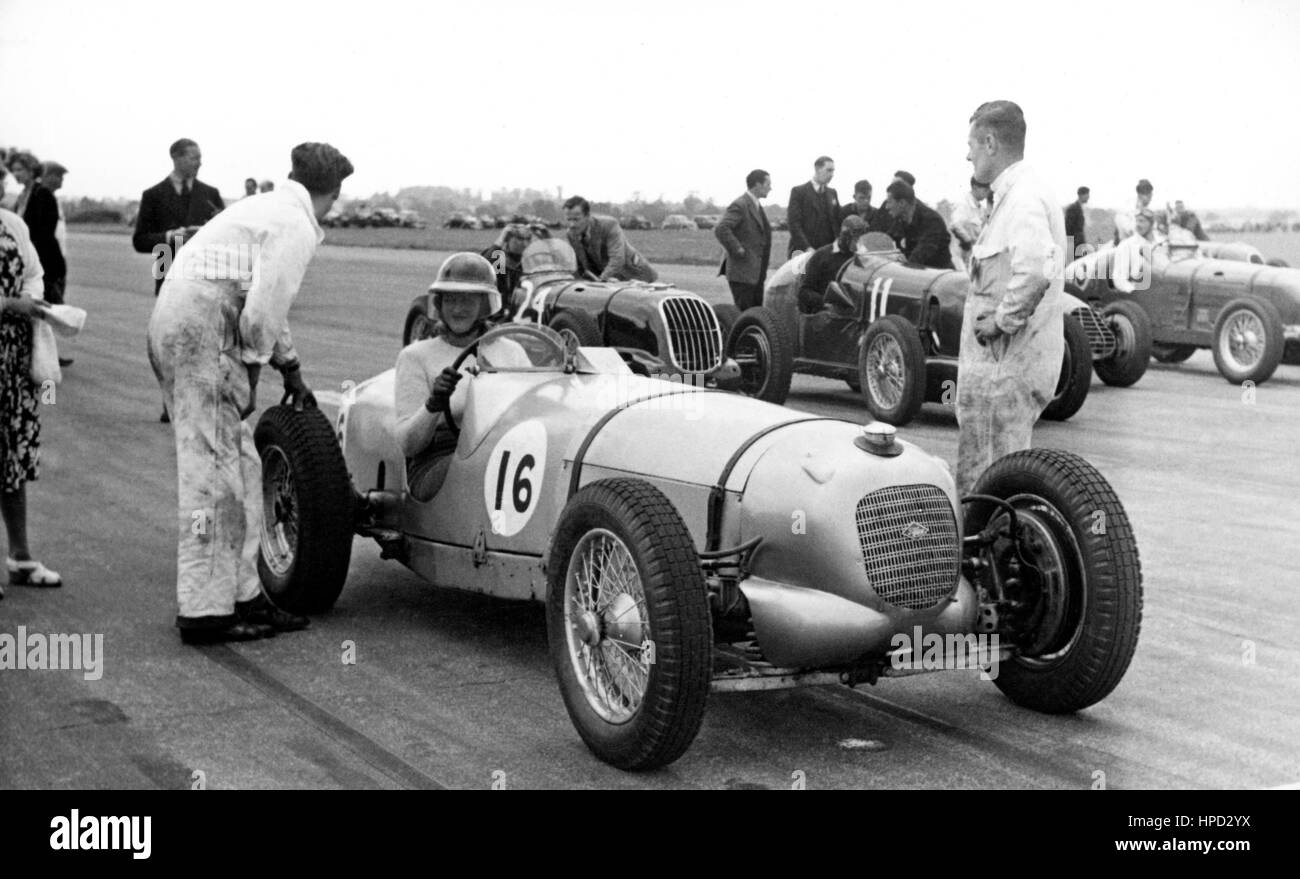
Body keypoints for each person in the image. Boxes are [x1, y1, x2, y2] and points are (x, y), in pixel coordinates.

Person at [147, 141, 353, 644]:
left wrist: (293, 369)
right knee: (212, 481)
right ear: (336, 189)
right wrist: (257, 374)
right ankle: (204, 612)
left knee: (243, 468)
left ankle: (245, 595)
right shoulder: (296, 223)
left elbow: (264, 300)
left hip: (183, 324)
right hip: (201, 335)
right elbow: (261, 315)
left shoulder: (265, 209)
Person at [956, 100, 1066, 496]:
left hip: (1004, 373)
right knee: (995, 482)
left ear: (989, 142)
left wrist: (1002, 321)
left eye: (970, 144)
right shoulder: (1016, 194)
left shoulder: (1022, 199)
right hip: (1001, 372)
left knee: (990, 489)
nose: (967, 154)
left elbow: (1036, 268)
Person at [395, 253, 504, 502]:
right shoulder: (415, 356)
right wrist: (434, 403)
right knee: (484, 469)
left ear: (484, 304)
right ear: (440, 304)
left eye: (468, 300)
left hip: (502, 450)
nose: (458, 309)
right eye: (451, 300)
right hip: (437, 458)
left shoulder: (510, 350)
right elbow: (408, 445)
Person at [0, 186, 62, 594]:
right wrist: (8, 305)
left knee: (13, 457)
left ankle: (20, 557)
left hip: (14, 359)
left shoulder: (12, 224)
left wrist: (31, 299)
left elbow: (36, 272)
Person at [132, 138, 226, 297]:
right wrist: (170, 237)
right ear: (176, 158)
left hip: (206, 283)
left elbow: (227, 238)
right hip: (168, 282)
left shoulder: (211, 194)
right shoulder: (153, 195)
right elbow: (139, 241)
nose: (199, 163)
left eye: (200, 158)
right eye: (194, 158)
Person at [715, 169, 773, 310]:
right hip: (742, 273)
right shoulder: (740, 204)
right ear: (757, 185)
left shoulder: (756, 206)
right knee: (744, 315)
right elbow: (721, 228)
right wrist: (738, 249)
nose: (770, 188)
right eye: (768, 184)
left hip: (756, 274)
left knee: (754, 315)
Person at [563, 196, 658, 282]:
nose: (572, 225)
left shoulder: (608, 225)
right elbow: (580, 264)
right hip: (610, 281)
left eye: (576, 219)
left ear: (588, 216)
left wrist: (601, 280)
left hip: (635, 275)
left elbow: (617, 259)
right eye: (568, 219)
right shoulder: (571, 234)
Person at [798, 215, 869, 313]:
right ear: (845, 236)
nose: (859, 243)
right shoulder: (821, 256)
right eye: (856, 238)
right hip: (828, 313)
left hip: (857, 312)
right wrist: (825, 303)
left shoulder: (864, 257)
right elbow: (804, 291)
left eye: (861, 238)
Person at [883, 180, 955, 269]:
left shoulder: (932, 221)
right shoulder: (900, 220)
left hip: (939, 277)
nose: (886, 207)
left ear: (902, 203)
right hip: (916, 274)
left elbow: (921, 254)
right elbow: (886, 240)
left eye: (889, 202)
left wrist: (905, 264)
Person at [787, 156, 839, 257]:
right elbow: (794, 224)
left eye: (833, 171)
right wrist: (807, 248)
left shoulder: (832, 193)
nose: (832, 175)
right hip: (801, 252)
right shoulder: (798, 192)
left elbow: (836, 221)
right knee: (800, 273)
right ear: (817, 169)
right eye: (828, 170)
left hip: (826, 253)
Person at [481, 223, 534, 302]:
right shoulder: (500, 258)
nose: (524, 244)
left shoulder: (529, 260)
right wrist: (500, 240)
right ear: (507, 240)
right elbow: (482, 269)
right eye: (520, 239)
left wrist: (547, 239)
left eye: (528, 239)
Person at [950, 177, 992, 270]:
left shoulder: (979, 208)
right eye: (985, 190)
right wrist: (967, 240)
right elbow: (955, 225)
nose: (987, 193)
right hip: (959, 255)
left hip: (971, 255)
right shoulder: (963, 203)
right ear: (975, 187)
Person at [1112, 209, 1156, 294]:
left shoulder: (1160, 243)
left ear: (1151, 224)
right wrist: (1133, 292)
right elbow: (1119, 277)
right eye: (1137, 221)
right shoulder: (1126, 245)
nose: (1138, 225)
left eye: (1142, 221)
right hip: (1140, 292)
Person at [1064, 186, 1089, 258]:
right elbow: (1068, 228)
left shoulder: (1080, 208)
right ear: (1081, 195)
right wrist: (1071, 246)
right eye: (1087, 195)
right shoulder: (1073, 208)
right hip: (1074, 244)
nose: (1088, 198)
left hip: (1079, 243)